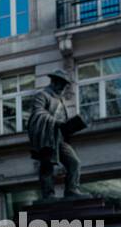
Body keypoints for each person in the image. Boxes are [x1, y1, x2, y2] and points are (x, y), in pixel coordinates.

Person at [27, 70, 87, 199]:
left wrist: (70, 126)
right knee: (47, 166)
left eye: (65, 86)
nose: (64, 88)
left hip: (59, 137)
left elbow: (62, 119)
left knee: (74, 162)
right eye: (62, 85)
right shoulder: (42, 95)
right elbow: (38, 113)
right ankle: (48, 194)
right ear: (54, 82)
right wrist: (56, 122)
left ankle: (71, 189)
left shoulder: (60, 99)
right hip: (46, 136)